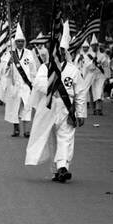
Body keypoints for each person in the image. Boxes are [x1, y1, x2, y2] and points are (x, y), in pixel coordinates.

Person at [25, 23, 88, 182]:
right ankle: (56, 169)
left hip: (67, 109)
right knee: (51, 138)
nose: (59, 53)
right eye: (56, 50)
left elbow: (80, 93)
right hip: (49, 107)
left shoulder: (73, 70)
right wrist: (52, 85)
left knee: (66, 137)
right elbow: (38, 84)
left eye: (62, 50)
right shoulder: (45, 68)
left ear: (65, 52)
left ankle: (63, 167)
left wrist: (81, 113)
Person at [0, 25, 37, 137]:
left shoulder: (29, 53)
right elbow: (2, 68)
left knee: (26, 107)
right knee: (14, 108)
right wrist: (8, 63)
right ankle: (16, 129)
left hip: (26, 85)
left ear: (24, 42)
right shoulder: (9, 53)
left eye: (22, 41)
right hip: (14, 84)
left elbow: (33, 70)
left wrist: (33, 84)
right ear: (15, 42)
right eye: (18, 41)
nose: (20, 43)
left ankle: (26, 131)